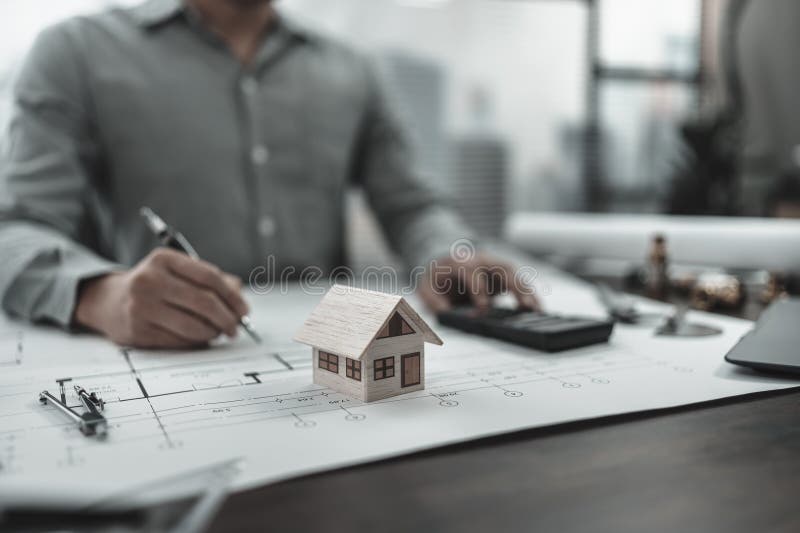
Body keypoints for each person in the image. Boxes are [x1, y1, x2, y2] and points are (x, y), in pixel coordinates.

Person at [0, 0, 536, 349]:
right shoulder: (73, 54)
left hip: (328, 371)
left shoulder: (355, 68)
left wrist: (450, 255)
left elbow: (412, 205)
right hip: (163, 367)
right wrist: (102, 295)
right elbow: (14, 230)